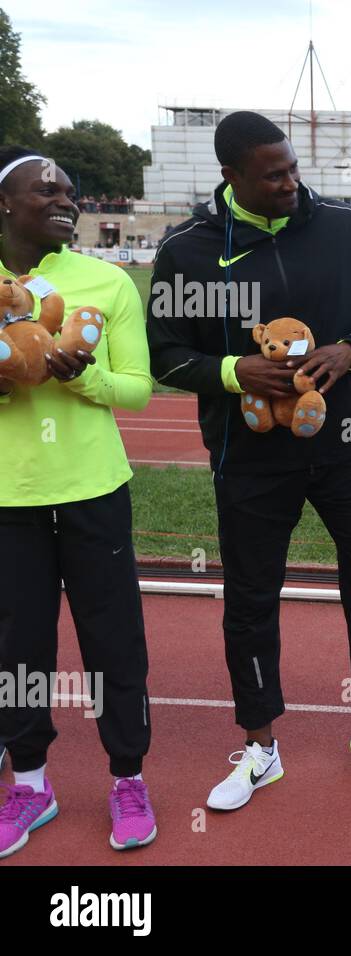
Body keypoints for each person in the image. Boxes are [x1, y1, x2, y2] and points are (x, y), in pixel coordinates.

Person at [145, 112, 351, 810]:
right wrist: (234, 372)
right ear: (232, 176)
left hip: (349, 449)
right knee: (251, 600)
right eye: (274, 174)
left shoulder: (342, 227)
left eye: (292, 167)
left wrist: (350, 351)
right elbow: (163, 355)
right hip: (250, 458)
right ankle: (261, 746)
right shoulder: (188, 251)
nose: (292, 182)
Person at [0, 148, 157, 857]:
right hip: (10, 499)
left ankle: (128, 777)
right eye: (46, 190)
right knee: (18, 648)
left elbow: (138, 388)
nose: (66, 199)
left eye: (70, 190)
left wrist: (82, 381)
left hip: (95, 491)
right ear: (5, 203)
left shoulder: (106, 280)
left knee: (113, 642)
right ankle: (30, 783)